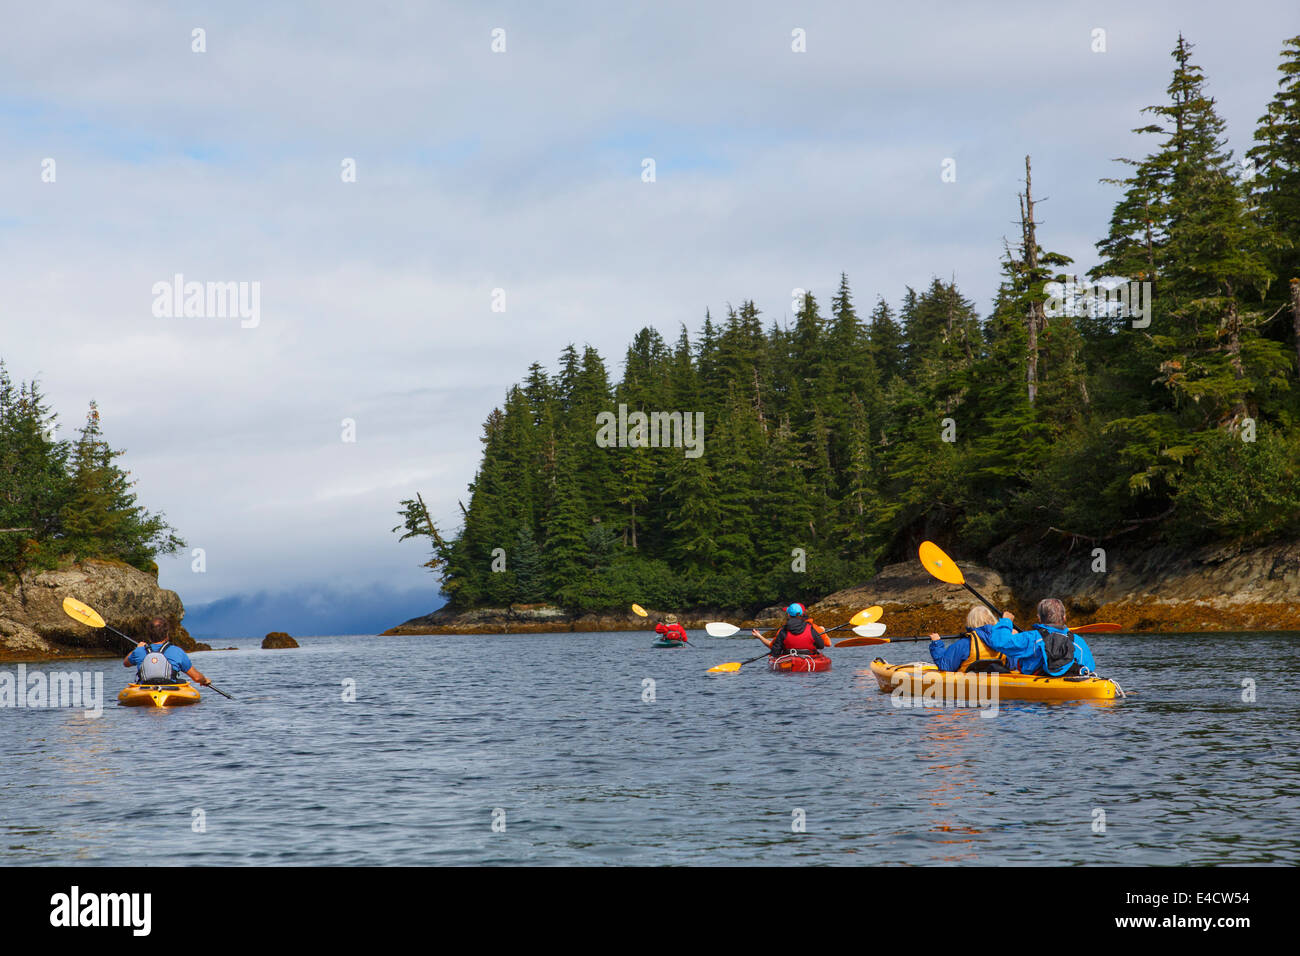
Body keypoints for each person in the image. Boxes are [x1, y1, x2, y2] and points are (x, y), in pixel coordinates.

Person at [984, 598, 1098, 676]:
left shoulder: (1032, 638)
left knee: (994, 668)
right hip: (1072, 689)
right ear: (1064, 618)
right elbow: (1090, 667)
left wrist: (1006, 621)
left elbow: (999, 642)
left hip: (1037, 691)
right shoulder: (1078, 642)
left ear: (1039, 618)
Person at [124, 617, 210, 686]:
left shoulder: (139, 651)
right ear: (167, 634)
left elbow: (126, 663)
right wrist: (204, 680)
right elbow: (197, 678)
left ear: (149, 635)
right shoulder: (177, 651)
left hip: (146, 688)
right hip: (170, 688)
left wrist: (137, 648)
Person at [927, 606, 1009, 672]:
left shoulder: (965, 644)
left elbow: (945, 666)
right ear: (992, 620)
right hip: (996, 682)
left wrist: (936, 643)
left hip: (971, 685)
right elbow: (1012, 665)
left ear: (970, 622)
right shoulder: (1005, 641)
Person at [752, 603, 827, 658]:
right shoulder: (810, 628)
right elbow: (821, 646)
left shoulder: (783, 630)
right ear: (801, 614)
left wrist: (775, 654)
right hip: (809, 657)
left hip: (789, 658)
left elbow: (776, 651)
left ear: (788, 615)